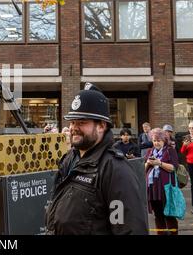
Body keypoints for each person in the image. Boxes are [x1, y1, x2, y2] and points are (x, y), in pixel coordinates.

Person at [45, 83, 148, 235]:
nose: (74, 127)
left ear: (101, 125)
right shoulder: (69, 159)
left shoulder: (116, 171)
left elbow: (128, 229)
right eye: (72, 122)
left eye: (82, 122)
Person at [144, 128, 179, 235]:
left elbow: (173, 168)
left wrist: (159, 163)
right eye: (154, 140)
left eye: (158, 140)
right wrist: (148, 163)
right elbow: (143, 169)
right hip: (153, 188)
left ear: (164, 140)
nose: (156, 143)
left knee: (169, 214)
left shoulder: (169, 150)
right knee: (158, 215)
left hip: (166, 188)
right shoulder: (150, 151)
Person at [180, 121, 193, 214]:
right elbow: (182, 152)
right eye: (190, 128)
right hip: (190, 163)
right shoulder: (187, 138)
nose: (191, 130)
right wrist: (184, 146)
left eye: (192, 128)